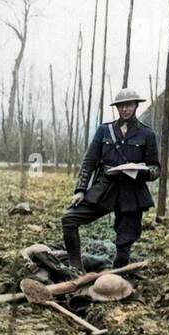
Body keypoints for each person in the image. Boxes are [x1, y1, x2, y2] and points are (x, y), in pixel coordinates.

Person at [61, 87, 161, 271]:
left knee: (125, 238)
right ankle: (75, 269)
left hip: (132, 191)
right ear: (116, 107)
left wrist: (139, 171)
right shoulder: (104, 130)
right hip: (104, 188)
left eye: (129, 105)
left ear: (136, 106)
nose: (125, 109)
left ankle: (117, 275)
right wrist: (81, 190)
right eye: (121, 105)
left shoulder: (147, 134)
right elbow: (89, 161)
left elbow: (155, 169)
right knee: (69, 219)